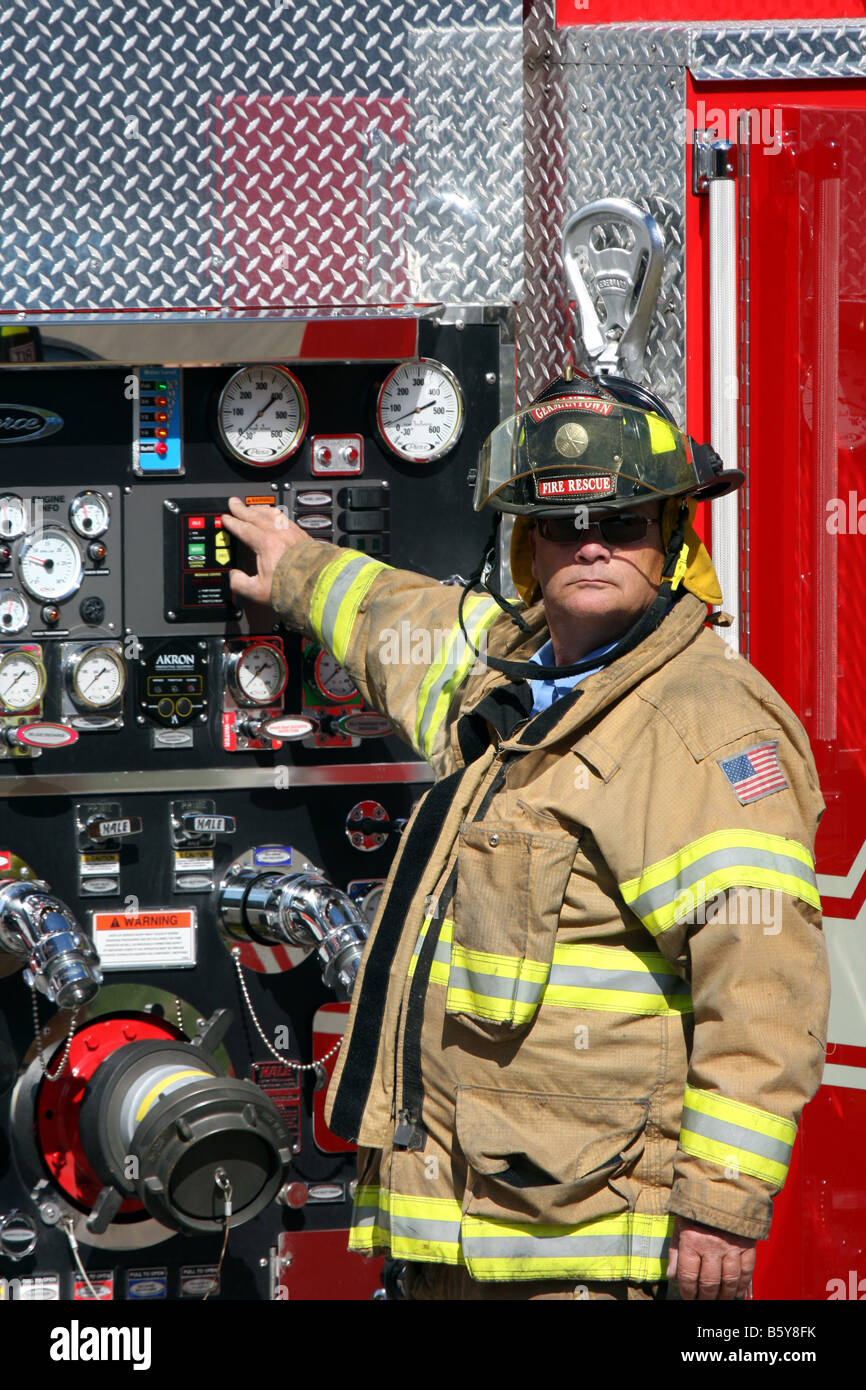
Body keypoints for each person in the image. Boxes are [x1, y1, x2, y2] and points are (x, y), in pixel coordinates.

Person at [221, 371, 829, 1301]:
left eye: (621, 522)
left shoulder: (704, 725)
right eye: (559, 525)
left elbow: (762, 984)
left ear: (667, 538)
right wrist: (298, 565)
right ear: (527, 546)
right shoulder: (511, 682)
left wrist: (721, 1206)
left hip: (579, 1252)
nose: (590, 545)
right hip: (467, 1240)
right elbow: (404, 625)